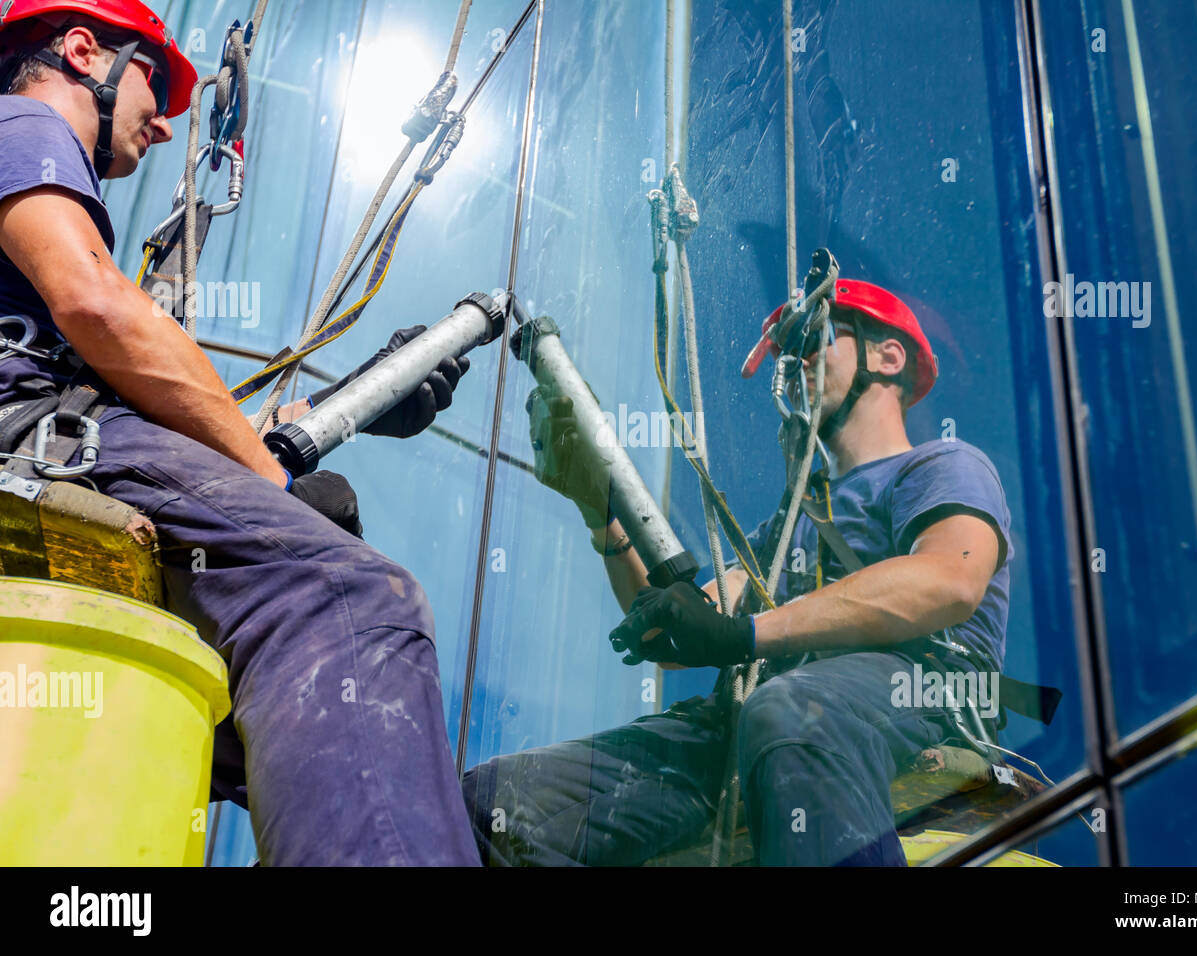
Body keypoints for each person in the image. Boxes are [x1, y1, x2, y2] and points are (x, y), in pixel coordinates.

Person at [0, 0, 479, 865]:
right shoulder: (21, 125)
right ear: (81, 50)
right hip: (37, 438)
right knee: (348, 599)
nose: (168, 118)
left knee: (253, 724)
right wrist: (272, 477)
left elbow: (127, 383)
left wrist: (347, 409)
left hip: (53, 435)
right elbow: (97, 304)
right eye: (156, 80)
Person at [462, 278, 1014, 866]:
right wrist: (601, 509)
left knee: (793, 712)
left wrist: (747, 635)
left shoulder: (940, 466)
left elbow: (949, 580)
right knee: (493, 806)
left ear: (888, 356)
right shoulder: (787, 529)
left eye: (810, 339)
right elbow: (676, 633)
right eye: (786, 352)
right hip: (765, 722)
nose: (794, 362)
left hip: (912, 696)